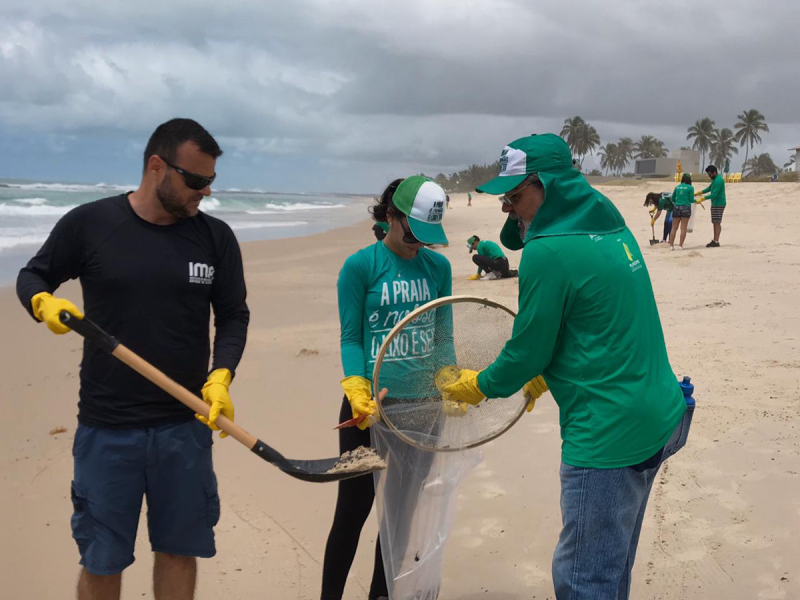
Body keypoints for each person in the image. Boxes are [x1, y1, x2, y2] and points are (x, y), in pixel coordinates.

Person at [442, 134, 691, 599]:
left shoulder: (547, 252)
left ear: (548, 184)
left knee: (584, 582)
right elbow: (596, 321)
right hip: (661, 414)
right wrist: (546, 370)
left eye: (515, 196)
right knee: (613, 567)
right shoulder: (614, 227)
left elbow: (526, 352)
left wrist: (480, 384)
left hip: (608, 437)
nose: (508, 208)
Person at [16, 118, 249, 600]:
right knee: (102, 560)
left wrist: (221, 376)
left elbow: (233, 316)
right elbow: (32, 276)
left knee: (179, 552)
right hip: (107, 431)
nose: (205, 192)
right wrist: (44, 304)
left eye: (211, 182)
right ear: (156, 167)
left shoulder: (215, 238)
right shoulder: (90, 224)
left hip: (184, 427)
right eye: (196, 180)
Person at [321, 176, 451, 600]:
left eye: (427, 237)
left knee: (398, 515)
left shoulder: (439, 268)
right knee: (353, 511)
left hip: (422, 411)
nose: (419, 244)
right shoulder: (360, 267)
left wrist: (448, 379)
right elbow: (351, 337)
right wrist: (357, 388)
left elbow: (442, 338)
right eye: (412, 233)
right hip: (366, 410)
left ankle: (380, 595)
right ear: (391, 215)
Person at [668, 173, 703, 250]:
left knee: (674, 228)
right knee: (683, 228)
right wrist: (696, 200)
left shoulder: (677, 187)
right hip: (686, 208)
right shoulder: (690, 188)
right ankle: (680, 245)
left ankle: (671, 245)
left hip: (677, 207)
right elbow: (691, 200)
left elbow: (673, 199)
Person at [698, 164, 726, 247]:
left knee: (717, 222)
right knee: (714, 222)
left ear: (714, 172)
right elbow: (709, 188)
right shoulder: (714, 179)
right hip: (715, 203)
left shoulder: (718, 180)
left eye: (710, 174)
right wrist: (700, 192)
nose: (709, 176)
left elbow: (714, 194)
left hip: (719, 203)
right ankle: (714, 239)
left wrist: (703, 198)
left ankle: (716, 241)